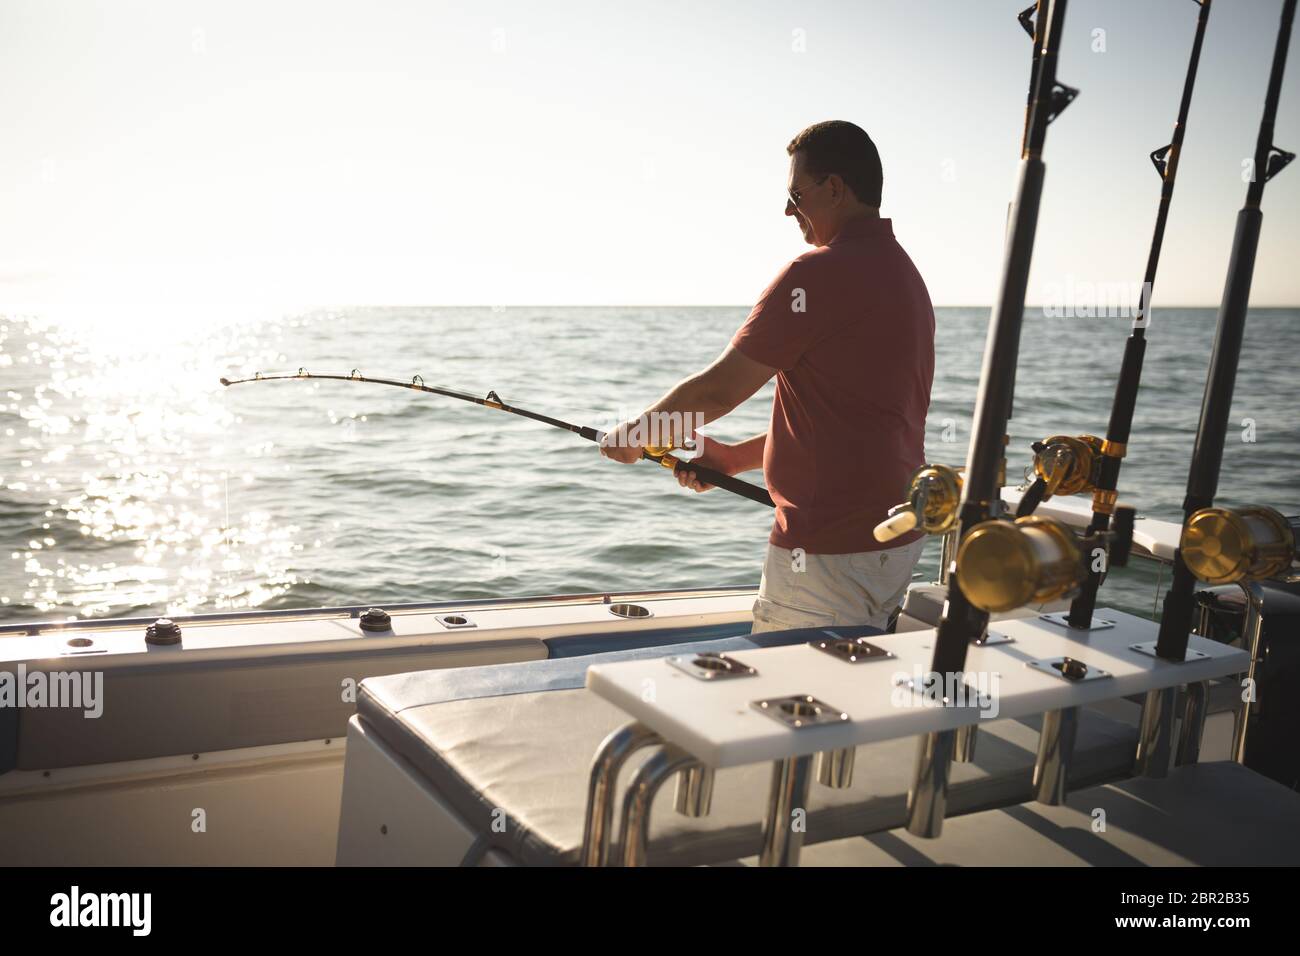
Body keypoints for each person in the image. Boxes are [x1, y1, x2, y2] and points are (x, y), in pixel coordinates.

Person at [600, 120, 935, 632]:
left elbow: (719, 389)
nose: (787, 210)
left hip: (828, 553)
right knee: (849, 689)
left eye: (796, 194)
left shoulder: (817, 274)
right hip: (894, 539)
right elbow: (854, 421)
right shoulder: (904, 276)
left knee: (795, 704)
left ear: (835, 188)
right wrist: (734, 458)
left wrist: (636, 435)